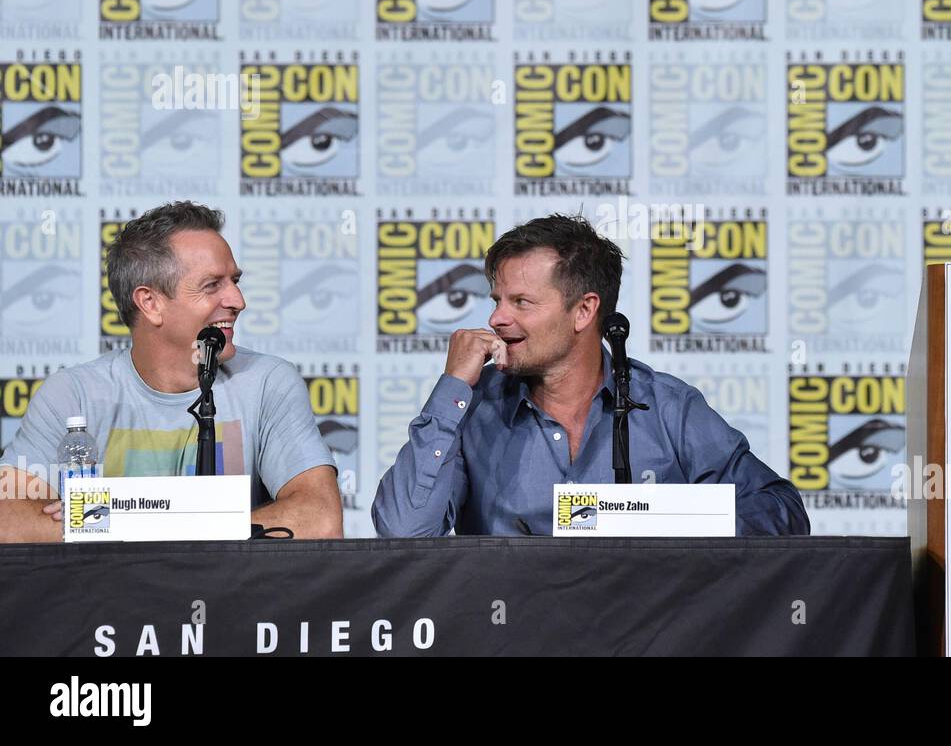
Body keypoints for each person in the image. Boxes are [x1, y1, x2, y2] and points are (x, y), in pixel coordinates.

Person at [373, 214, 810, 536]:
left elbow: (783, 512)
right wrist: (453, 387)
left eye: (521, 302)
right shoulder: (472, 410)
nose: (496, 318)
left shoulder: (668, 408)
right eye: (497, 300)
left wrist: (658, 518)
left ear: (584, 310)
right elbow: (402, 531)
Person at [0, 201, 342, 542]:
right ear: (150, 303)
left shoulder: (268, 382)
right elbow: (7, 520)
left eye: (234, 281)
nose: (238, 300)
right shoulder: (72, 395)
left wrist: (119, 519)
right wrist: (162, 521)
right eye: (212, 285)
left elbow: (321, 519)